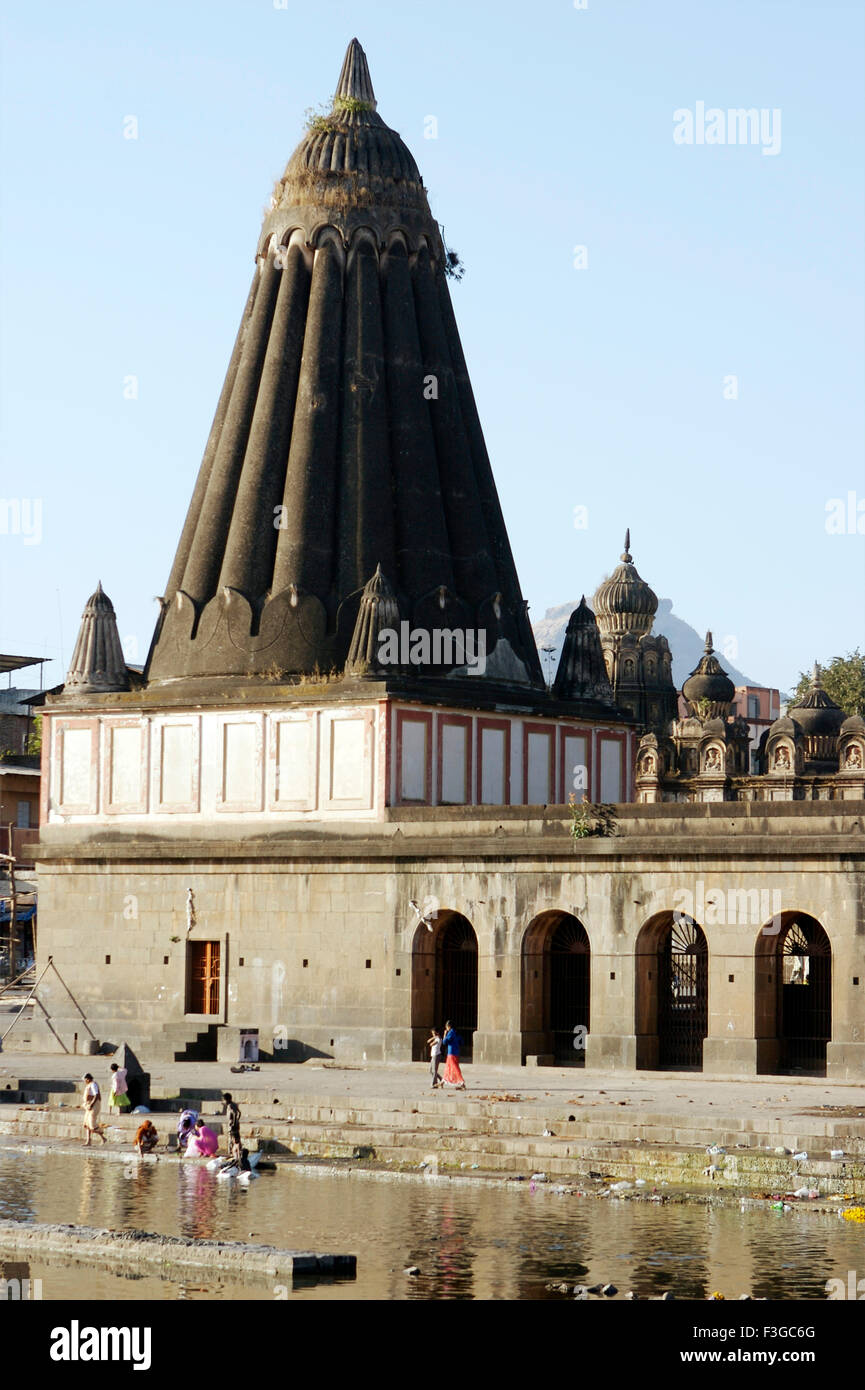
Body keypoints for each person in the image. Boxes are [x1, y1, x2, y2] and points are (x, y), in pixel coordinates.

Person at [82, 1073, 107, 1145]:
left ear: (88, 1079)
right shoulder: (89, 1085)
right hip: (88, 1105)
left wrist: (91, 1105)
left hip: (94, 1106)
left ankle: (102, 1133)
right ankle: (88, 1141)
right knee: (86, 1124)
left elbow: (96, 1095)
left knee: (92, 1125)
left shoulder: (93, 1084)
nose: (85, 1081)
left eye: (85, 1080)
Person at [441, 1021, 466, 1090]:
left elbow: (444, 1042)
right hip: (456, 1052)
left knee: (454, 1068)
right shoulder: (456, 1033)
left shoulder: (451, 1033)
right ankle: (442, 1081)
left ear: (448, 1026)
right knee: (448, 1068)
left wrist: (444, 1034)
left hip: (451, 1053)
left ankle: (461, 1082)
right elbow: (462, 1041)